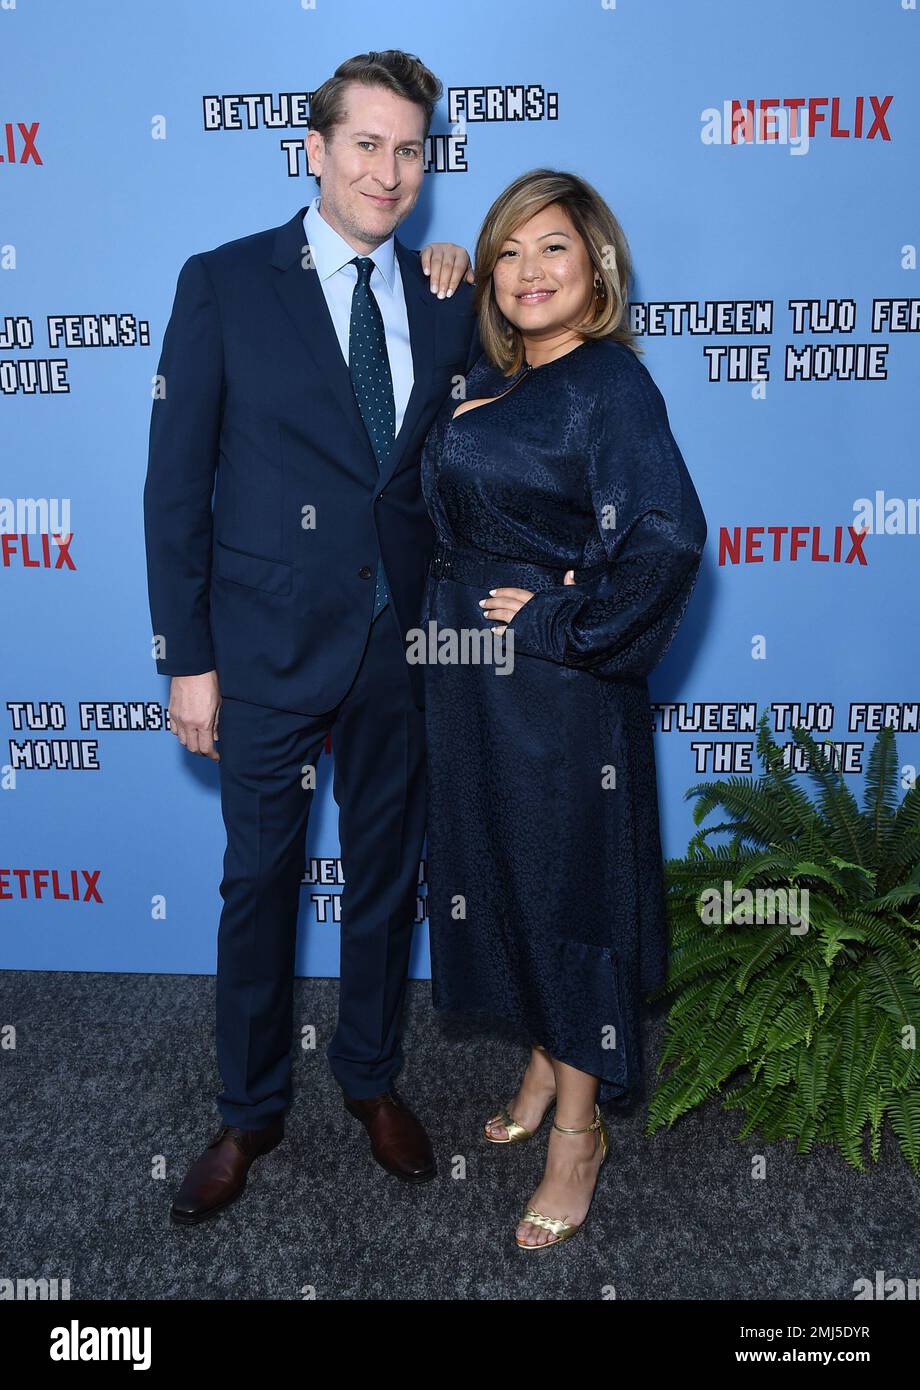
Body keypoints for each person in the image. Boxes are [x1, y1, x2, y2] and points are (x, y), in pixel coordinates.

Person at [143, 49, 477, 1223]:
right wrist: (188, 656)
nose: (389, 172)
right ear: (314, 151)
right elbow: (174, 488)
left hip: (404, 651)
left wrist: (463, 279)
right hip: (265, 648)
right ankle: (247, 1112)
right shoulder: (226, 283)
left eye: (410, 150)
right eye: (367, 145)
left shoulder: (445, 296)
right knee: (258, 884)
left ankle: (372, 1078)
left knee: (386, 882)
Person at [419, 168, 708, 1248]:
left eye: (554, 249)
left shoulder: (609, 387)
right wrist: (436, 265)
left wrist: (555, 620)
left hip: (554, 700)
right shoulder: (490, 380)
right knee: (500, 871)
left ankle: (577, 1134)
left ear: (597, 270)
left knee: (565, 896)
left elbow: (665, 542)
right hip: (469, 686)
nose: (529, 271)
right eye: (508, 250)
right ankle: (544, 1057)